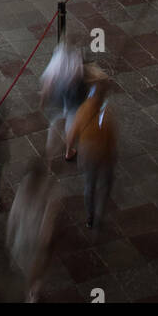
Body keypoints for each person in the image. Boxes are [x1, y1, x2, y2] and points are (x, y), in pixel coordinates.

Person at [66, 68, 118, 235]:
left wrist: (70, 149)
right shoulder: (107, 114)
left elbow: (72, 133)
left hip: (88, 152)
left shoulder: (84, 110)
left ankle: (90, 216)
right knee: (105, 186)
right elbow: (112, 137)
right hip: (105, 155)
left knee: (90, 185)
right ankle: (99, 214)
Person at [6, 161, 60, 303]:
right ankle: (32, 294)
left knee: (28, 273)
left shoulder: (24, 188)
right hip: (36, 244)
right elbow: (48, 220)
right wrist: (45, 241)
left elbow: (13, 215)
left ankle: (30, 292)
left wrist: (10, 237)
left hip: (23, 241)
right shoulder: (49, 191)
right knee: (36, 273)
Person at [39, 40, 85, 160]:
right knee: (72, 116)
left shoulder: (58, 55)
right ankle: (69, 150)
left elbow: (49, 78)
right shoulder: (76, 56)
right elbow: (77, 75)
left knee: (61, 114)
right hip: (72, 92)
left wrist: (43, 99)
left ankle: (51, 145)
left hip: (59, 91)